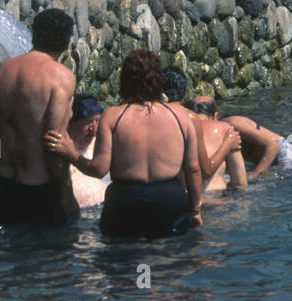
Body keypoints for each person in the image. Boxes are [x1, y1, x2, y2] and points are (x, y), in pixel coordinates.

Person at [67, 50, 203, 238]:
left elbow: (98, 169)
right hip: (169, 199)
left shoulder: (113, 116)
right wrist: (195, 209)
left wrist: (70, 154)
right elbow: (193, 169)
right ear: (159, 80)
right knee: (172, 262)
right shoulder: (181, 117)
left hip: (125, 200)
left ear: (124, 80)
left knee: (122, 262)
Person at [0, 9, 76, 225]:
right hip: (40, 192)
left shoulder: (5, 70)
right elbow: (53, 142)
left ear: (34, 36)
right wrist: (66, 194)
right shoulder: (61, 76)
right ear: (66, 44)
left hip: (3, 187)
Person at [43, 94, 109, 209]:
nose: (94, 130)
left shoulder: (99, 144)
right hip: (77, 216)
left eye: (97, 121)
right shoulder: (59, 147)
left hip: (102, 210)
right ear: (71, 123)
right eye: (88, 122)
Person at [185, 98, 247, 190]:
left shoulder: (180, 128)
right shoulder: (226, 130)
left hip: (187, 196)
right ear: (216, 115)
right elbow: (240, 182)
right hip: (218, 196)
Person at [219, 113, 292, 175]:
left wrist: (256, 172)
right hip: (274, 161)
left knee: (252, 184)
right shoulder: (220, 137)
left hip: (287, 157)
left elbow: (273, 146)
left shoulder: (232, 123)